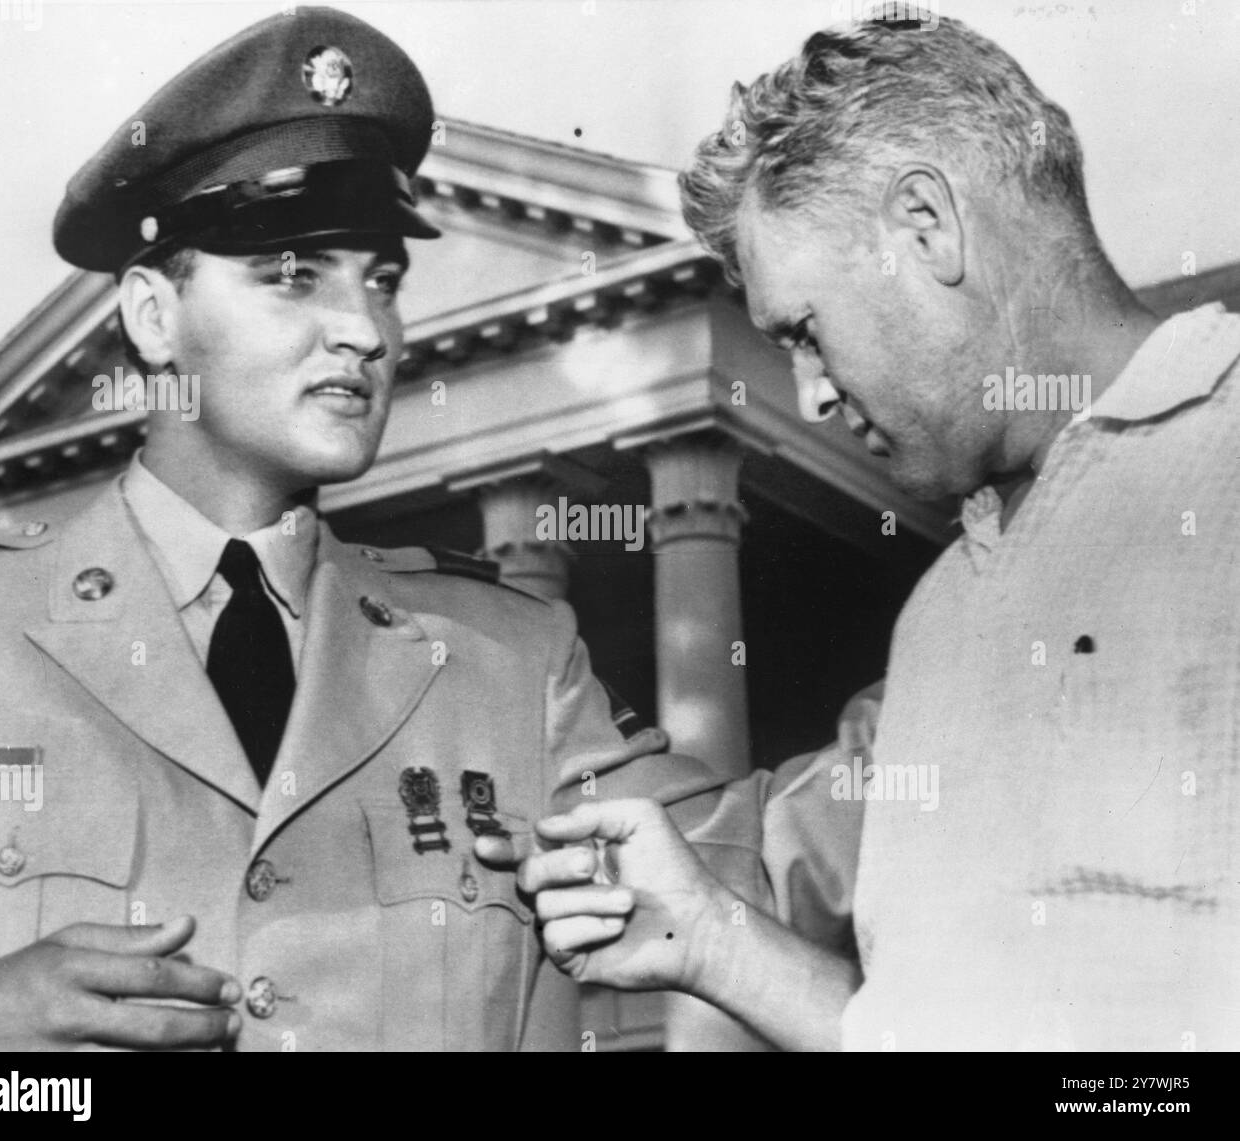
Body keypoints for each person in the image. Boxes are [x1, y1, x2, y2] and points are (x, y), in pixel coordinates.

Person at [0, 8, 724, 1052]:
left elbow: (768, 864)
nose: (365, 330)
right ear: (151, 314)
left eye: (383, 282)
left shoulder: (511, 662)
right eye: (294, 273)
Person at [513, 15, 1240, 1051]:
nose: (808, 395)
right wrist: (716, 943)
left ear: (926, 226)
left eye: (802, 331)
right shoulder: (943, 611)